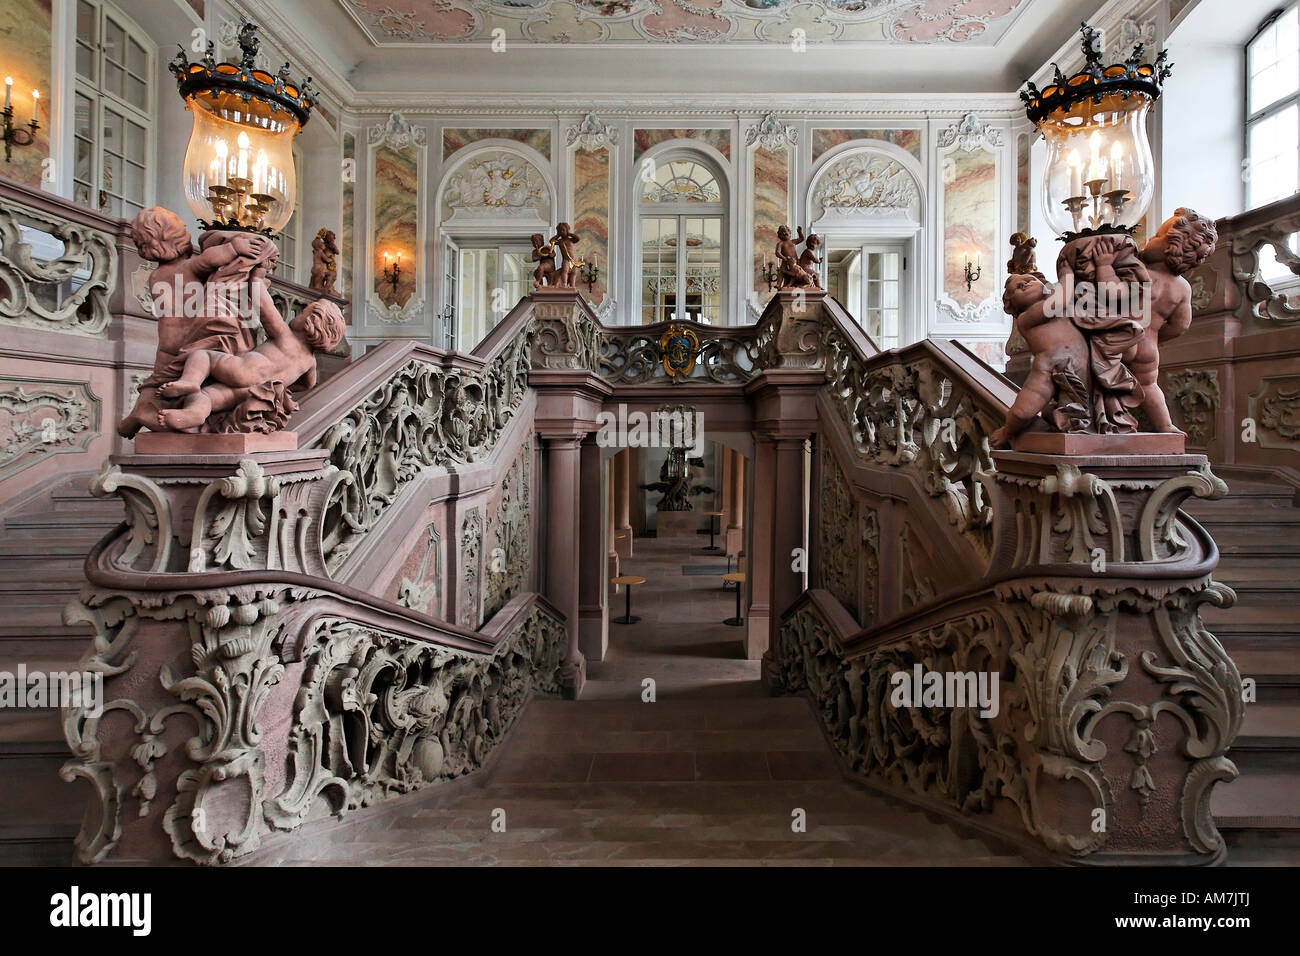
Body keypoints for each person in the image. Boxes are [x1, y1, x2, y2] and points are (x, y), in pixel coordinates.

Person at [156, 299, 345, 431]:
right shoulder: (310, 363)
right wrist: (282, 385)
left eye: (304, 312)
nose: (299, 313)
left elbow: (265, 306)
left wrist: (257, 279)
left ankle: (190, 381)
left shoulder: (285, 336)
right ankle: (194, 414)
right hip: (255, 392)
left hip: (243, 369)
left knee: (202, 356)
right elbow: (307, 385)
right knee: (210, 397)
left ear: (311, 322)